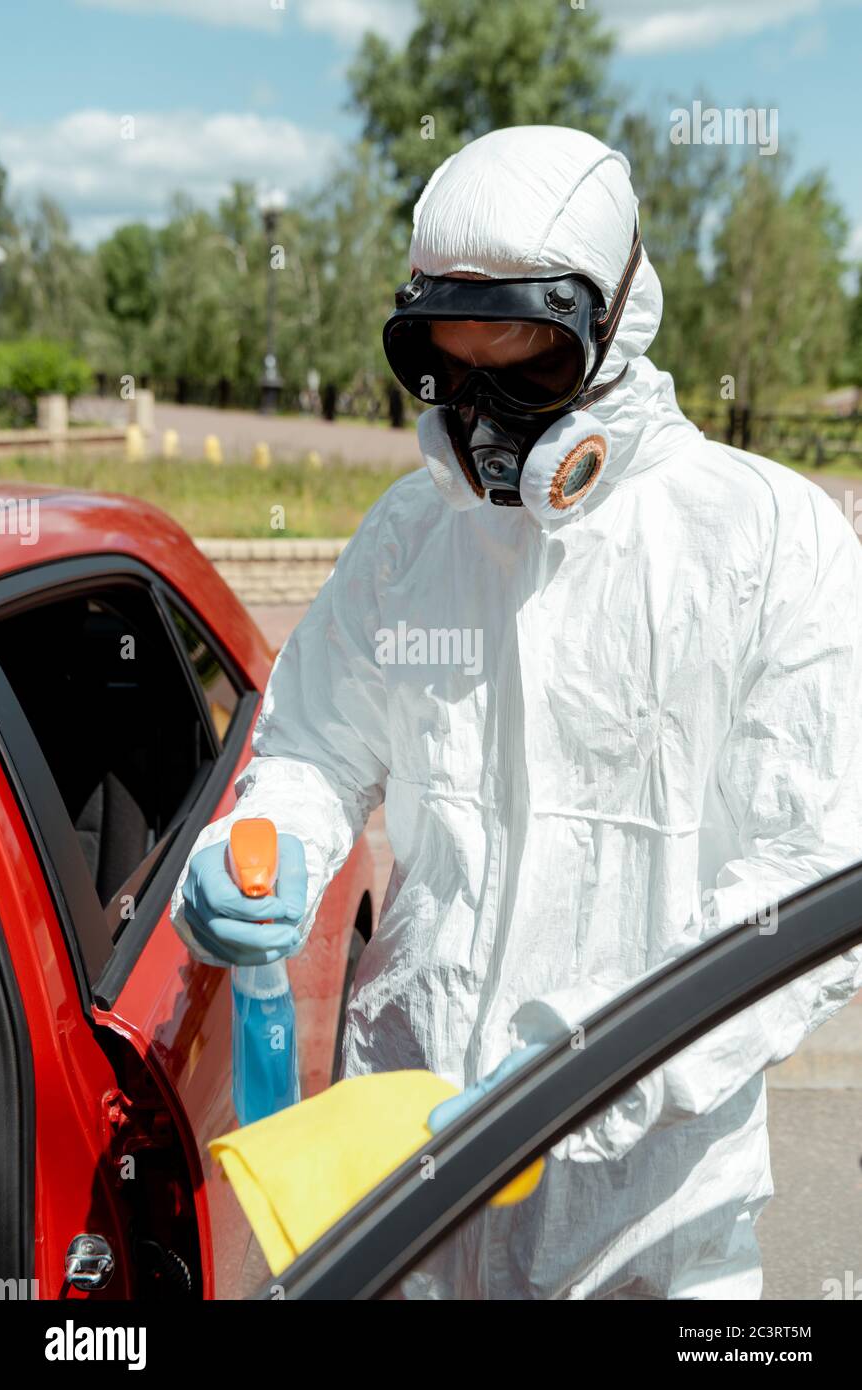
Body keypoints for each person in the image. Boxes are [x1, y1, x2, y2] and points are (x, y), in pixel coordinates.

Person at [172, 126, 862, 1299]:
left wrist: (588, 1068)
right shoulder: (410, 538)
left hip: (649, 1226)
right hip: (405, 1203)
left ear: (617, 324)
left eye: (529, 363)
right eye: (453, 367)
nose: (485, 415)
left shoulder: (767, 542)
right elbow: (312, 750)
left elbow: (812, 869)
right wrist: (270, 843)